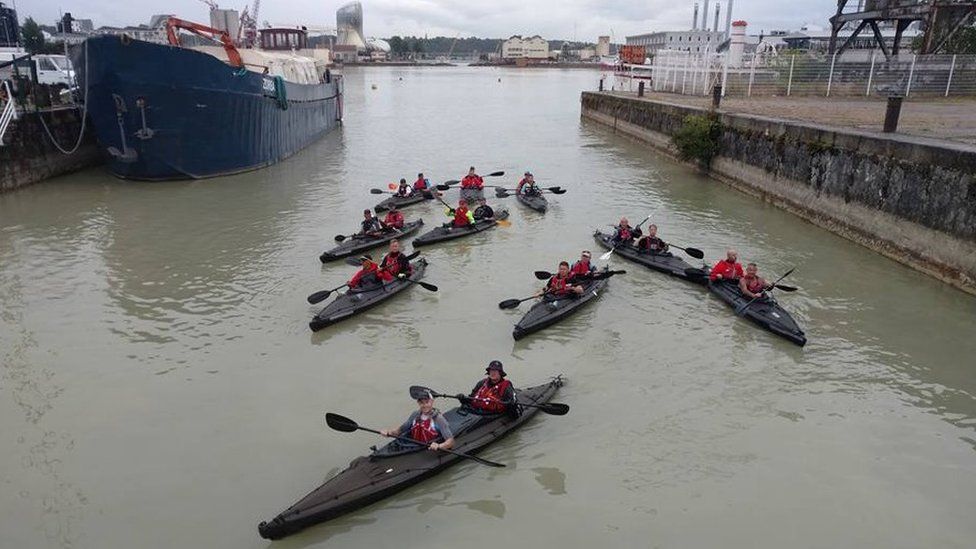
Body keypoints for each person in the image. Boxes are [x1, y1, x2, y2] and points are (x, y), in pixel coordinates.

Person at [380, 390, 455, 452]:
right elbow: (399, 431)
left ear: (432, 402)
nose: (425, 405)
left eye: (427, 402)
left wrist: (439, 446)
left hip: (427, 449)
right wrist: (389, 432)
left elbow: (450, 441)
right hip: (413, 446)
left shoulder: (438, 419)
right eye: (422, 403)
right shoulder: (415, 415)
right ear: (418, 403)